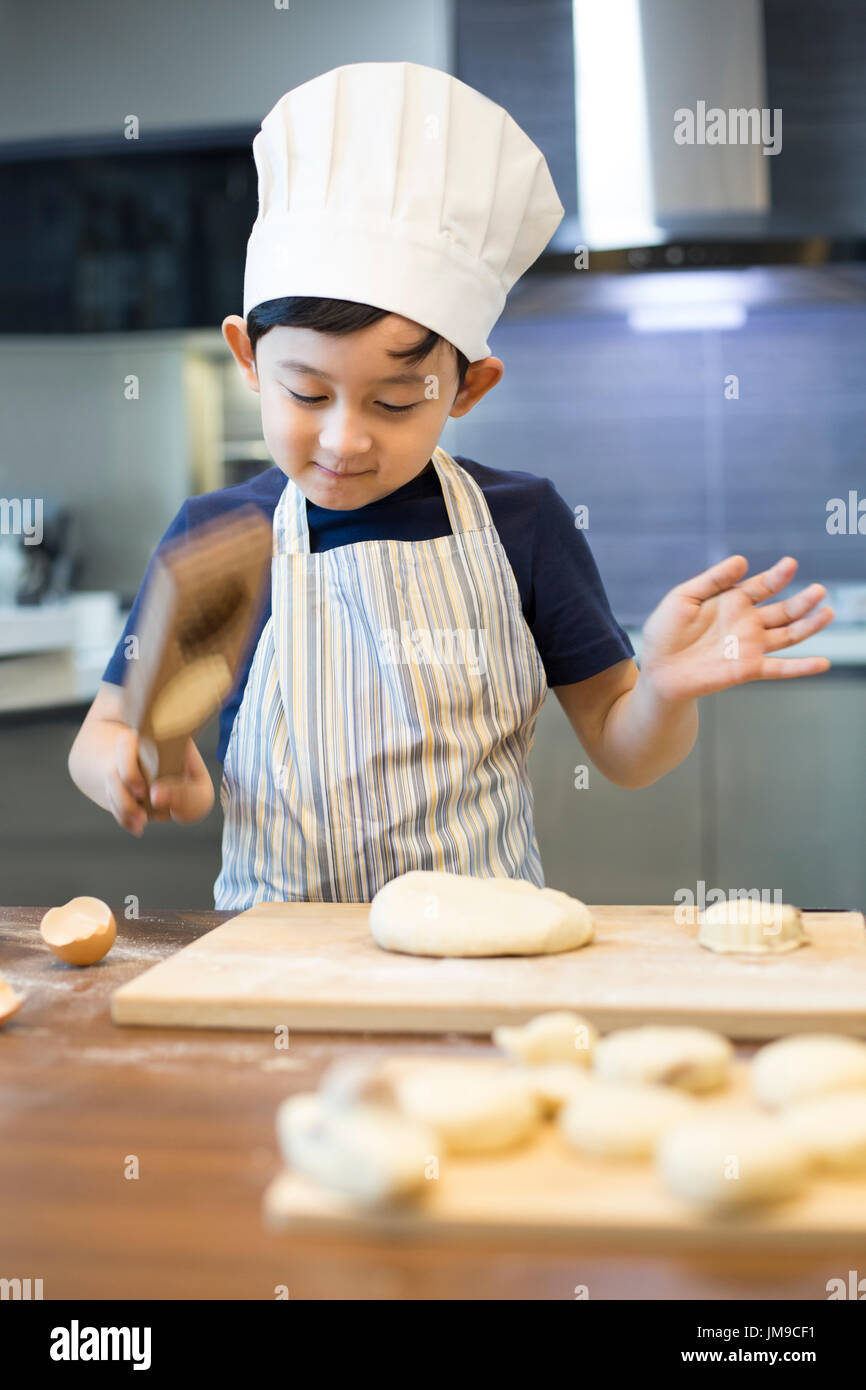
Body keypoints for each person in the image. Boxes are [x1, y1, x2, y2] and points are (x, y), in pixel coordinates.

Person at [68, 62, 833, 909]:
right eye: (307, 394)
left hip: (483, 959)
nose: (344, 438)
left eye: (396, 401)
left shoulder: (524, 523)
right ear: (248, 357)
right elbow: (109, 730)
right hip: (277, 967)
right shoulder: (218, 538)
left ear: (468, 387)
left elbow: (626, 750)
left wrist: (659, 690)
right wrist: (131, 765)